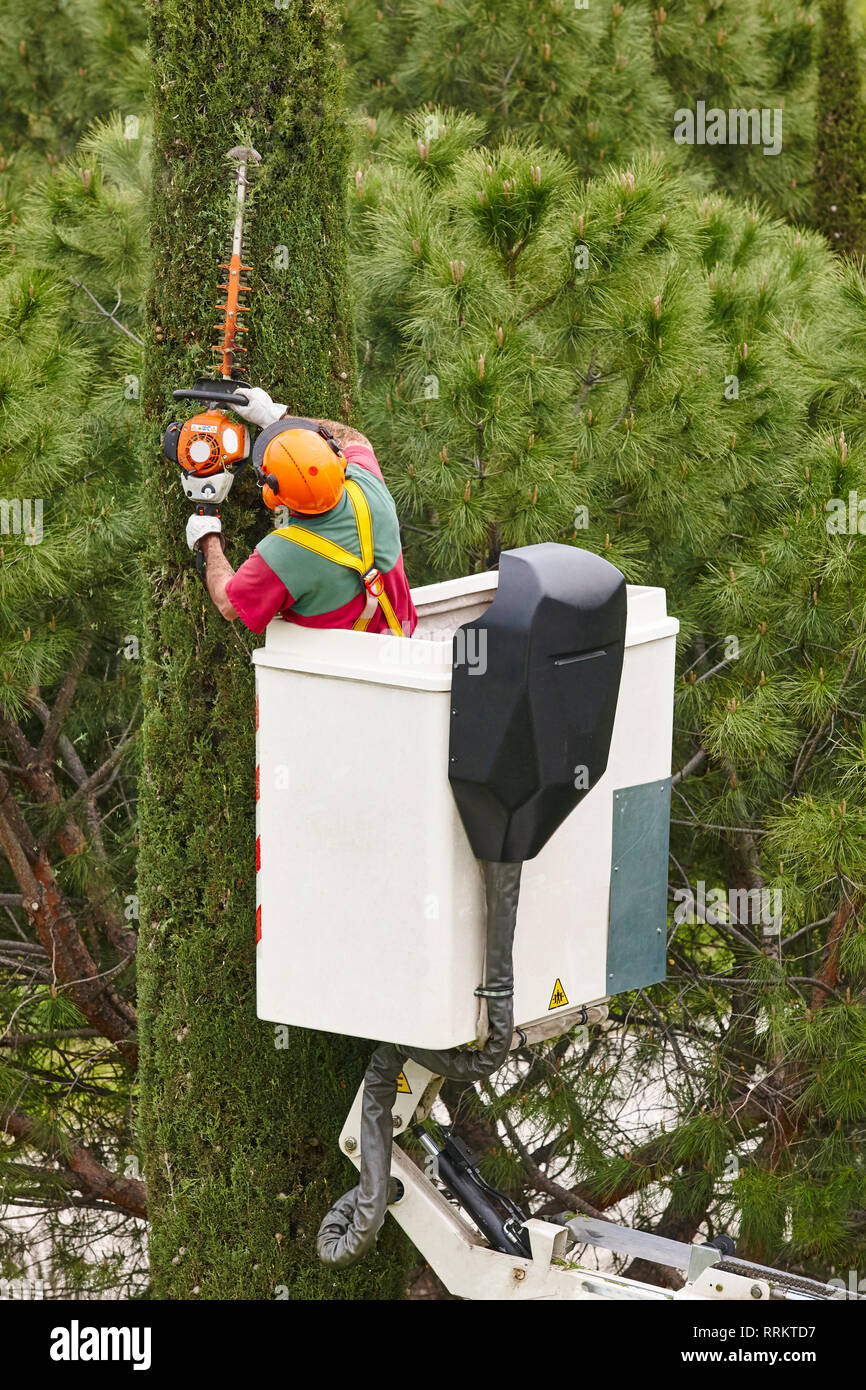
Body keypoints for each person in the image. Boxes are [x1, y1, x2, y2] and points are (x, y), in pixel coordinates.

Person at [185, 386, 417, 637]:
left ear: (274, 495)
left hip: (337, 671)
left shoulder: (282, 554)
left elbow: (227, 604)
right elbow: (354, 440)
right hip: (399, 650)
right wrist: (277, 418)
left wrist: (208, 538)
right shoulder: (368, 487)